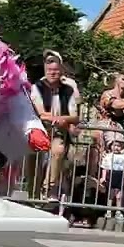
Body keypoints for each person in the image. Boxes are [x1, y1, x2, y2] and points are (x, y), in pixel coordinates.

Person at [30, 53, 80, 200]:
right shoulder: (37, 87)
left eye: (56, 70)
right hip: (38, 129)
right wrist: (58, 118)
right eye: (50, 70)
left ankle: (49, 188)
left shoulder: (68, 90)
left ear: (61, 72)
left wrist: (62, 120)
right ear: (45, 71)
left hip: (57, 131)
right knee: (34, 161)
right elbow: (41, 114)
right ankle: (32, 191)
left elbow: (75, 116)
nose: (53, 73)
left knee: (58, 150)